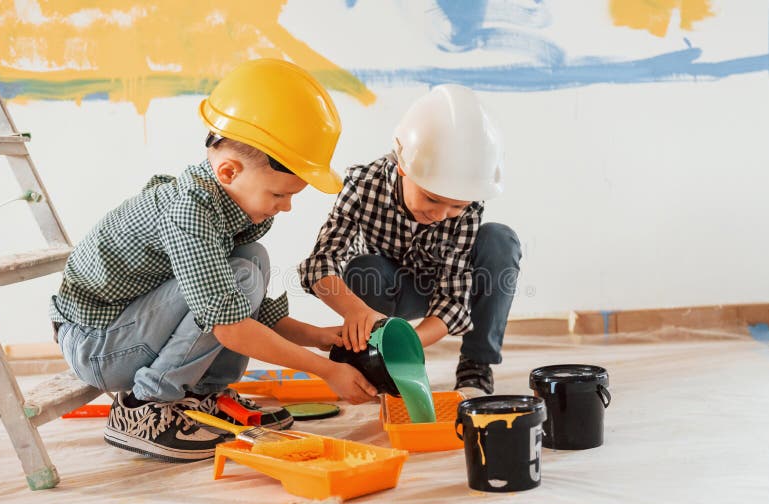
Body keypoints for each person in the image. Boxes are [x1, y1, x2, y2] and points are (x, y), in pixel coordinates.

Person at [50, 59, 378, 463]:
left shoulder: (227, 211)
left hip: (125, 334)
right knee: (241, 276)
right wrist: (326, 371)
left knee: (251, 260)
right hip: (98, 346)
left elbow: (251, 314)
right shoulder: (190, 214)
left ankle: (203, 395)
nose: (287, 207)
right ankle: (146, 407)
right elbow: (233, 327)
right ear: (228, 171)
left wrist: (322, 337)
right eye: (279, 195)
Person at [299, 84, 521, 398]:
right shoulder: (363, 184)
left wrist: (408, 345)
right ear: (403, 166)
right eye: (432, 198)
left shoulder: (467, 205)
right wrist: (356, 312)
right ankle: (374, 356)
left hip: (443, 286)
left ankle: (476, 364)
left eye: (457, 206)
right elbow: (318, 264)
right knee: (367, 268)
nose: (444, 214)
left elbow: (454, 301)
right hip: (386, 296)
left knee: (500, 240)